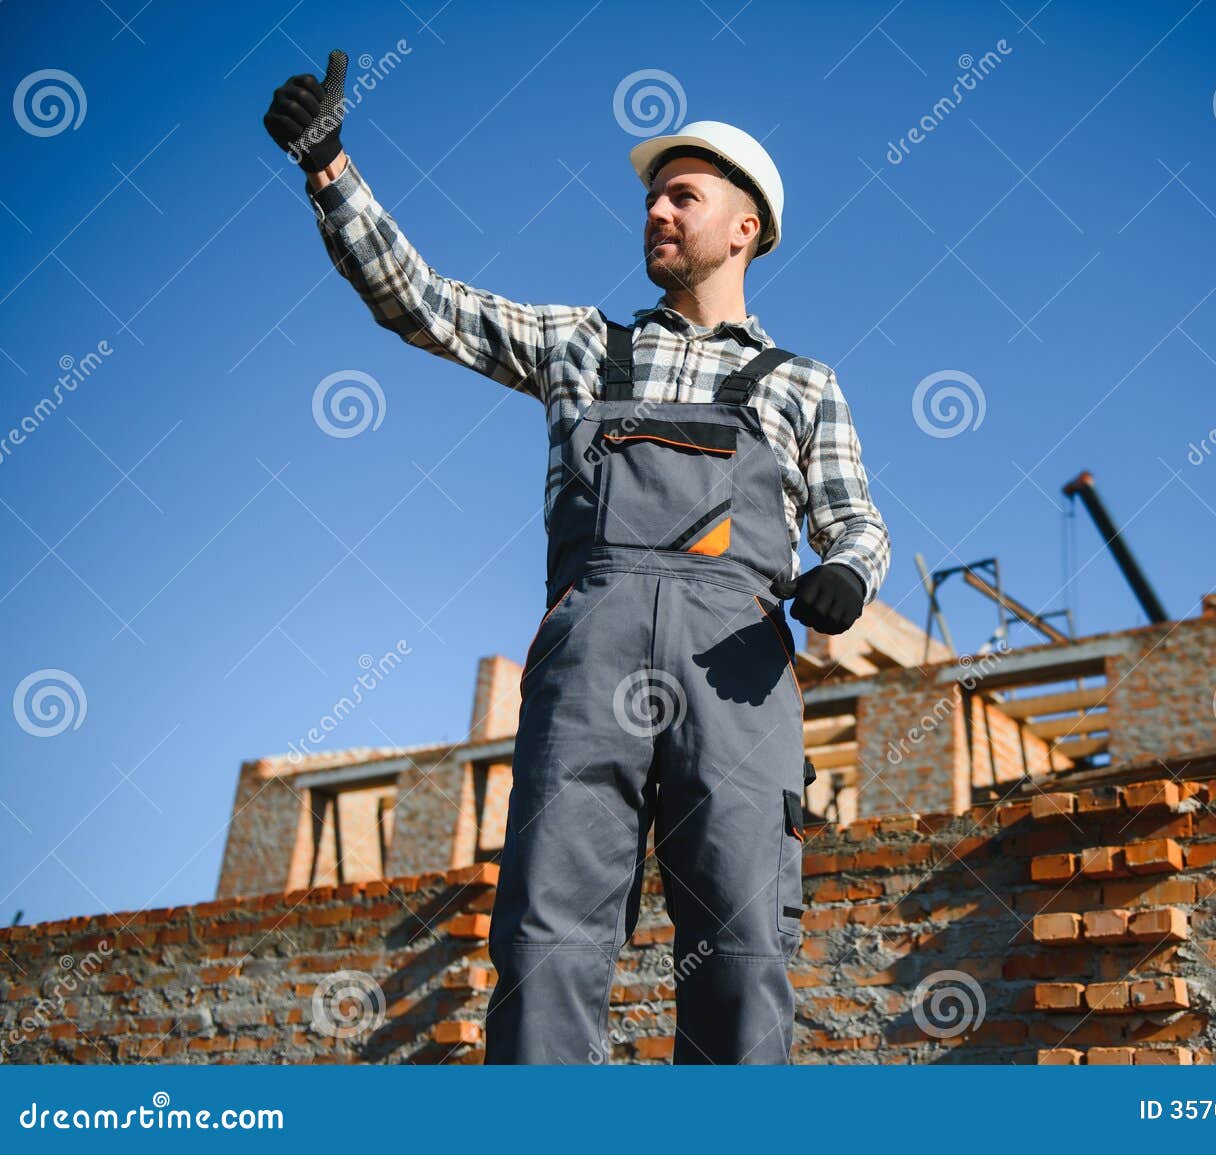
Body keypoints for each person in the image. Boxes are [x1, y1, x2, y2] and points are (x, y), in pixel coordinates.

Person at [264, 52, 891, 1064]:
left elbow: (854, 521)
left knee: (740, 934)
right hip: (589, 653)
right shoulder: (576, 345)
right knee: (549, 932)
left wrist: (848, 575)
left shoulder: (801, 383)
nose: (656, 212)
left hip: (734, 668)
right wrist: (331, 171)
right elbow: (421, 304)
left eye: (681, 196)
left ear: (746, 228)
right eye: (650, 200)